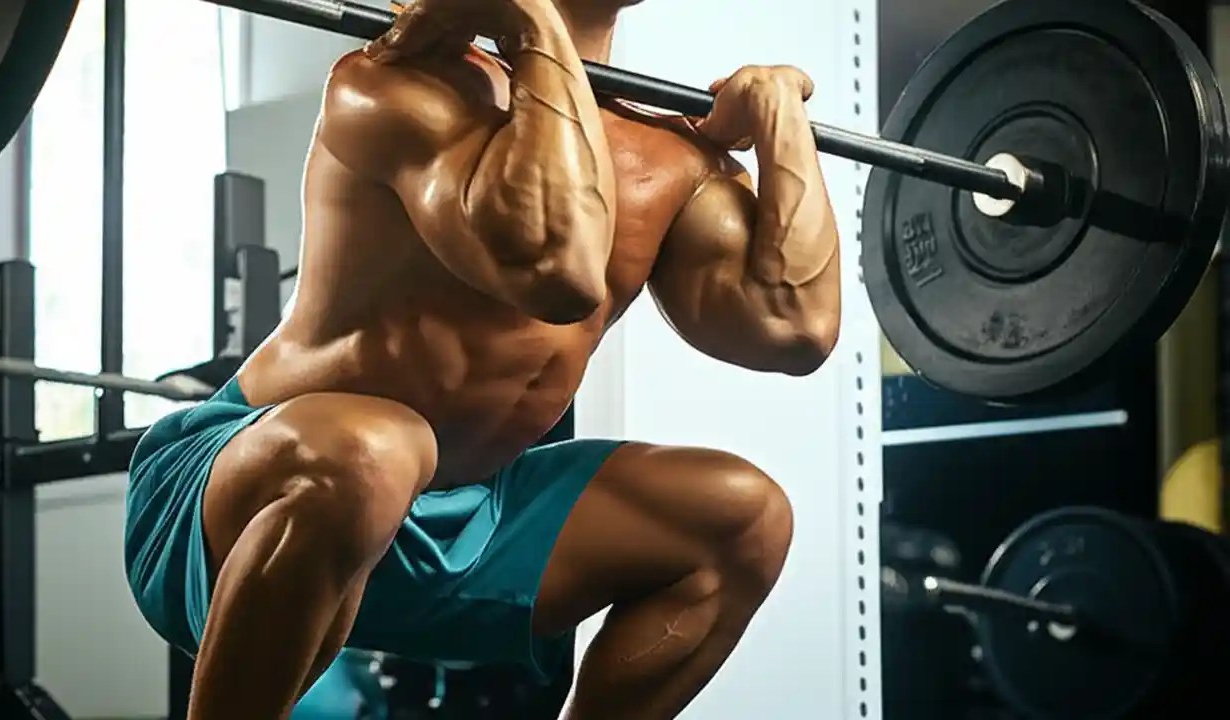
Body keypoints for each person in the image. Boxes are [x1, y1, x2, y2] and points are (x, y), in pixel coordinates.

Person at [123, 0, 841, 718]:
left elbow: (793, 326)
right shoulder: (398, 83)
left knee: (742, 517)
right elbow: (553, 265)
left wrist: (779, 118)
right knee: (377, 453)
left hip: (464, 513)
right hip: (254, 497)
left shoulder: (671, 155)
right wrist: (531, 24)